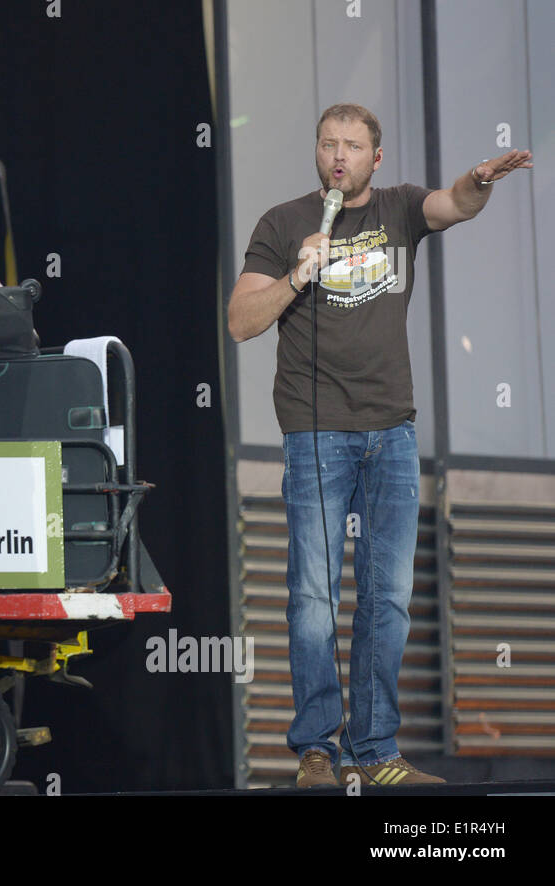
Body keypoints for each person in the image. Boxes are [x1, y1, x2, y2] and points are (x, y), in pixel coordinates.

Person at [227, 103, 533, 788]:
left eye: (353, 146)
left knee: (387, 596)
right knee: (313, 595)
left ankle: (377, 752)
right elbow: (241, 321)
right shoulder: (283, 223)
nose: (339, 156)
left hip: (391, 432)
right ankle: (315, 751)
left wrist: (480, 180)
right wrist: (297, 276)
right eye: (328, 144)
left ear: (377, 158)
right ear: (317, 151)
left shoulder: (397, 209)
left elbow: (454, 203)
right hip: (315, 432)